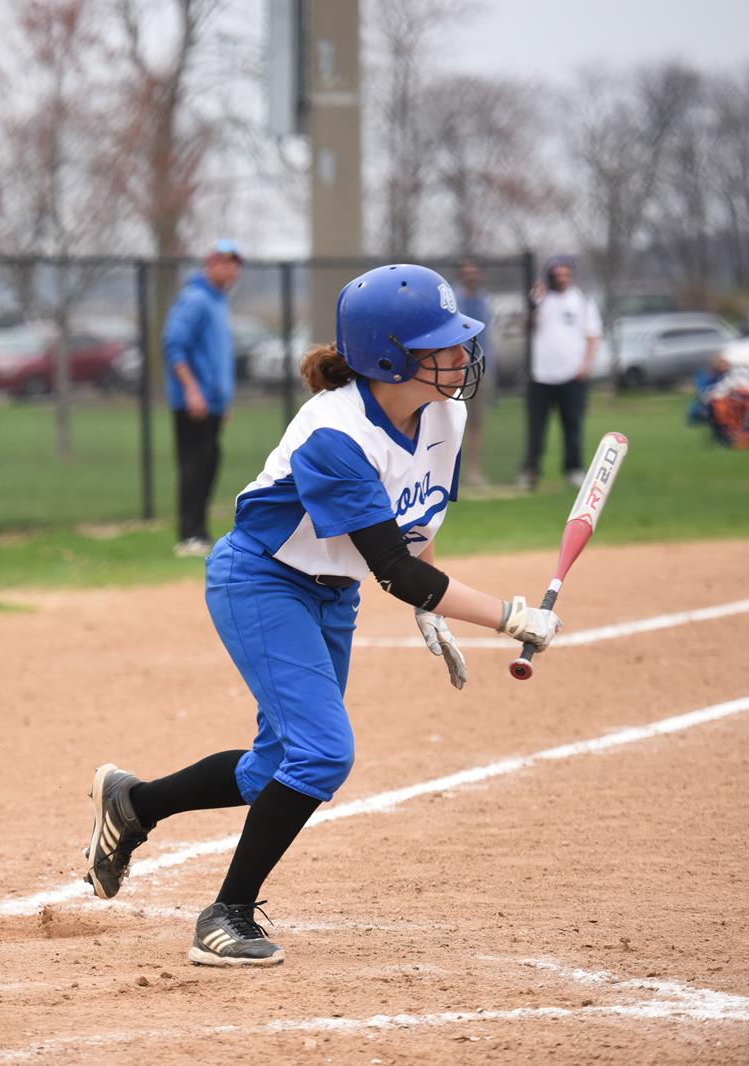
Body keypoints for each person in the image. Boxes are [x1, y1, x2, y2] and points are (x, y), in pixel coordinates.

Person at [81, 264, 563, 968]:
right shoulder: (334, 434)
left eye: (462, 340)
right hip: (262, 580)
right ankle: (226, 916)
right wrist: (510, 616)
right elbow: (396, 571)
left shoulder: (445, 412)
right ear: (390, 358)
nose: (463, 356)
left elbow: (414, 529)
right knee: (323, 752)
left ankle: (134, 805)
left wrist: (433, 609)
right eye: (443, 344)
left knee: (275, 764)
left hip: (332, 592)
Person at [164, 239, 241, 558]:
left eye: (234, 263)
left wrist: (223, 401)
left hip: (213, 403)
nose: (231, 269)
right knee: (194, 466)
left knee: (209, 464)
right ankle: (188, 534)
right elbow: (173, 346)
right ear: (208, 266)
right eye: (223, 262)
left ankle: (199, 532)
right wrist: (192, 391)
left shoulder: (218, 302)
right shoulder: (195, 299)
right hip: (193, 404)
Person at [521, 255, 602, 491]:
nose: (561, 279)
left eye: (566, 274)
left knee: (572, 426)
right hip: (540, 375)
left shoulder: (582, 301)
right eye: (557, 275)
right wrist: (536, 301)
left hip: (572, 375)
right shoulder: (540, 299)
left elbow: (593, 335)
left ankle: (573, 469)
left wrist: (585, 366)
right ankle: (531, 469)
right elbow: (525, 326)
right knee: (536, 427)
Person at [455, 259, 494, 488]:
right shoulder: (454, 298)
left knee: (475, 422)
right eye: (466, 271)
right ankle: (449, 473)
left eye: (474, 272)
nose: (471, 276)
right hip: (453, 368)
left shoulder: (485, 300)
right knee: (450, 419)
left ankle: (473, 472)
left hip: (479, 369)